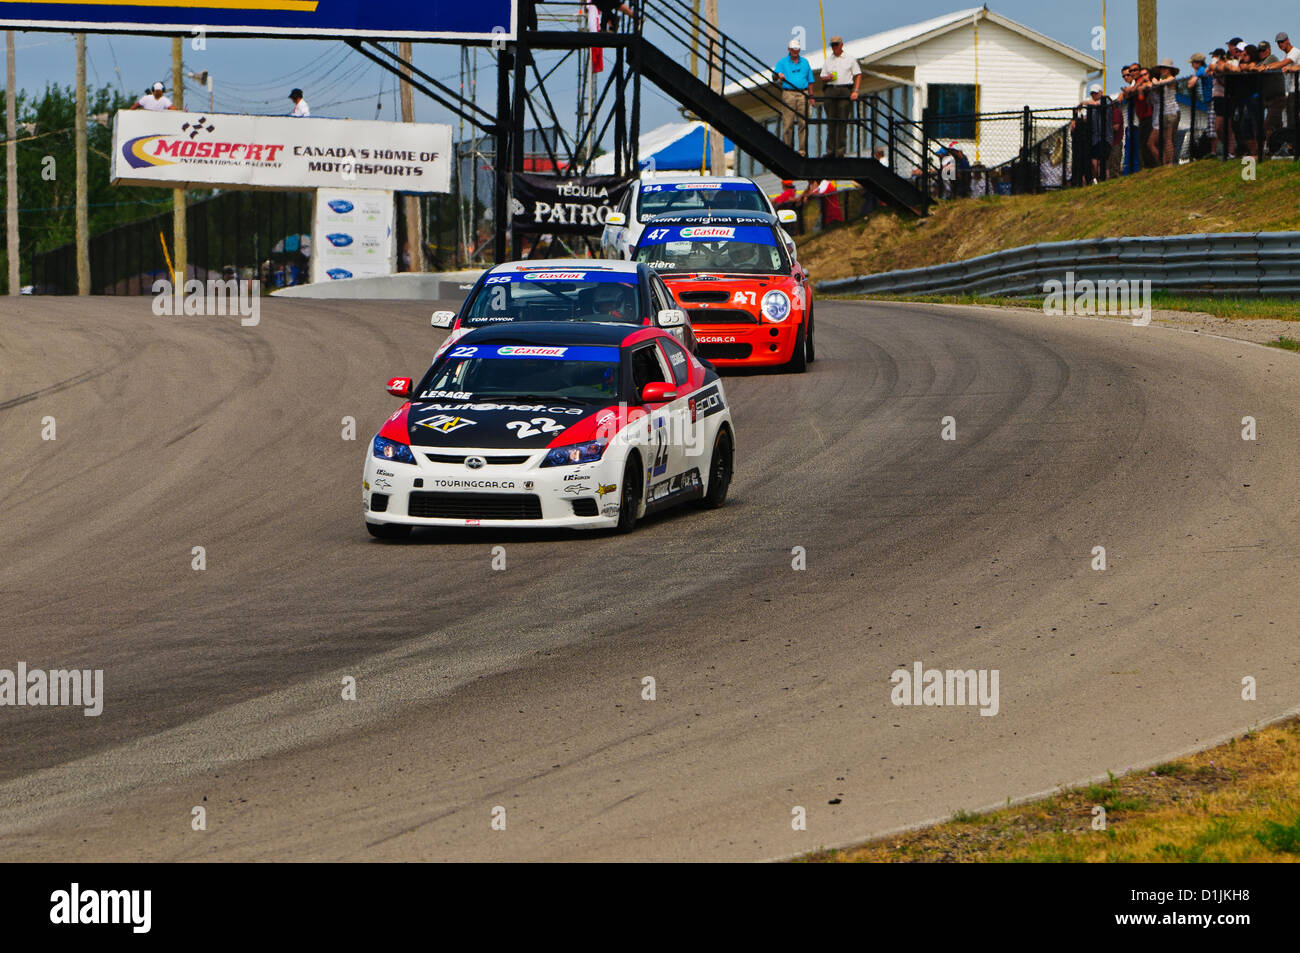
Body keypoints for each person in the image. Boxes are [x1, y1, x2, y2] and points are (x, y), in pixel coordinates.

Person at [818, 35, 861, 157]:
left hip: (844, 89)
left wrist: (855, 91)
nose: (834, 47)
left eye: (836, 44)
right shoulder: (828, 60)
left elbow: (858, 74)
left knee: (842, 121)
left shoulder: (850, 59)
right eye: (832, 45)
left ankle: (840, 151)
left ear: (841, 45)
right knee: (831, 122)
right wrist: (828, 78)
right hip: (830, 89)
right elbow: (822, 77)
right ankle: (830, 151)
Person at [773, 37, 815, 155]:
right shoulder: (782, 62)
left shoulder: (805, 62)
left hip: (803, 93)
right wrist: (778, 75)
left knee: (803, 122)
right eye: (793, 49)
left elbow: (810, 80)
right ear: (789, 49)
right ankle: (787, 149)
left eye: (797, 49)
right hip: (789, 92)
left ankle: (802, 150)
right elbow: (774, 76)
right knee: (788, 122)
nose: (795, 51)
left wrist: (811, 96)